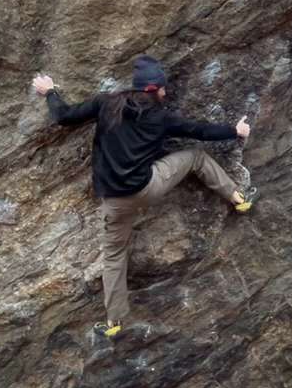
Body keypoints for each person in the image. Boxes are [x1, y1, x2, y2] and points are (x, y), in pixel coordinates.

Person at [33, 55, 254, 339]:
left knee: (114, 256)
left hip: (115, 201)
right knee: (196, 158)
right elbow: (198, 130)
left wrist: (49, 91)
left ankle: (115, 322)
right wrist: (234, 131)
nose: (166, 92)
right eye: (163, 88)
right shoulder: (160, 118)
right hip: (148, 186)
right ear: (153, 89)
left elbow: (64, 116)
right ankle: (238, 198)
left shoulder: (106, 104)